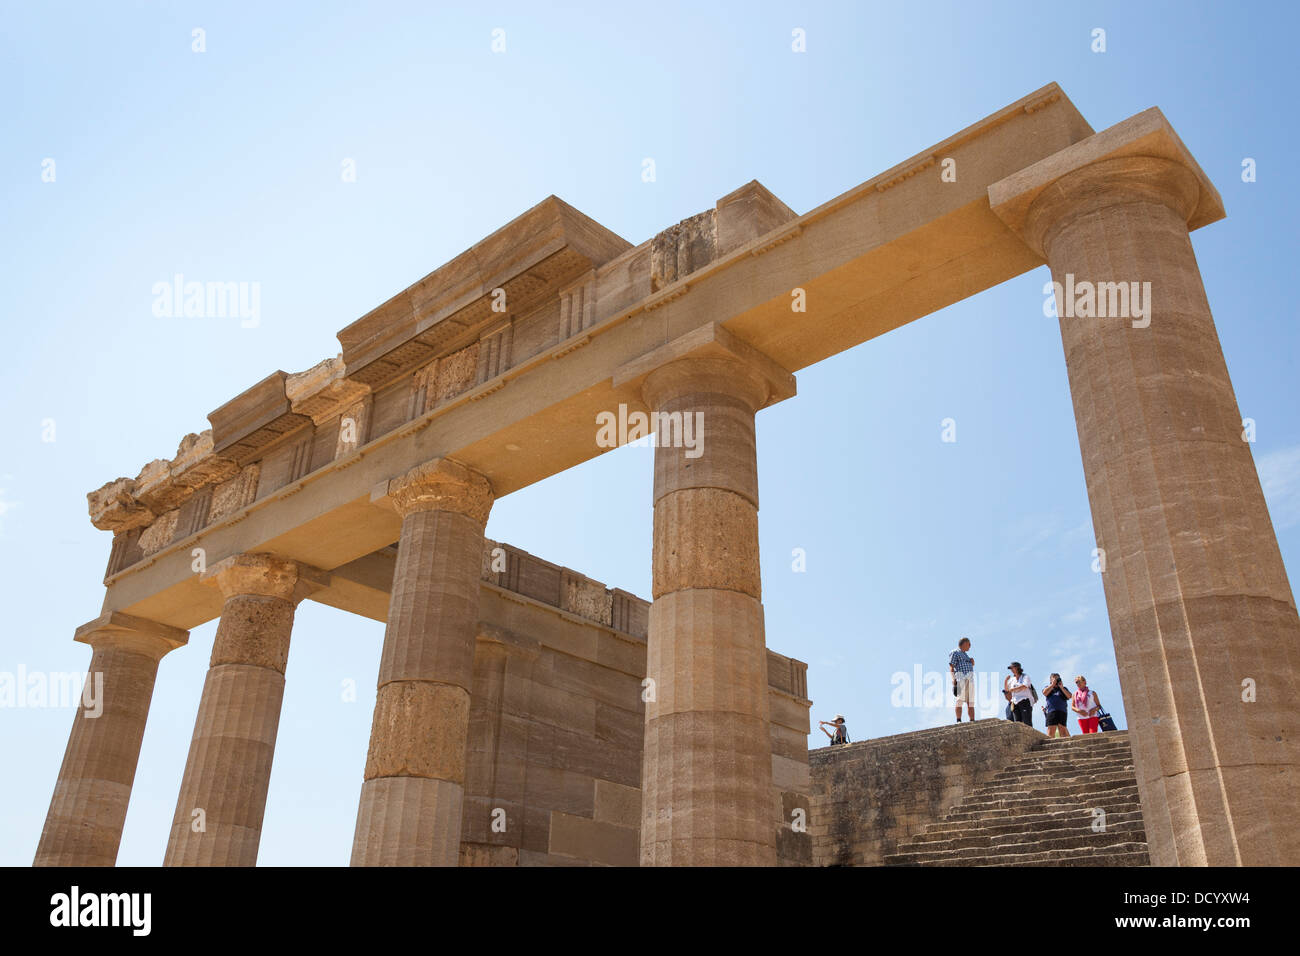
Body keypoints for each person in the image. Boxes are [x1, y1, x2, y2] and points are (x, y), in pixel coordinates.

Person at [948, 637, 976, 723]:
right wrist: (953, 679)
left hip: (970, 679)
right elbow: (951, 667)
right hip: (961, 677)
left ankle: (972, 721)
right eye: (969, 644)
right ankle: (959, 720)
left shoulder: (966, 655)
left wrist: (972, 663)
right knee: (959, 700)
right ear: (964, 643)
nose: (970, 646)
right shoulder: (955, 652)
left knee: (970, 702)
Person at [1041, 673, 1071, 738]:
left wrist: (1062, 688)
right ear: (1051, 680)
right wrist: (1052, 685)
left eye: (1057, 678)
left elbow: (1069, 696)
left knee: (1063, 730)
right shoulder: (1048, 687)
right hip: (1051, 711)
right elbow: (1045, 693)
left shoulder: (1063, 688)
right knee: (1051, 731)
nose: (1056, 680)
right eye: (1054, 678)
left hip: (1062, 711)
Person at [1004, 662, 1034, 727]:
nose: (1011, 670)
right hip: (1015, 702)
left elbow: (1024, 686)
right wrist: (1005, 681)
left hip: (1024, 701)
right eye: (1010, 668)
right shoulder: (1012, 679)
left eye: (1012, 668)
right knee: (1017, 723)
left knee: (1027, 722)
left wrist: (1013, 689)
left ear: (1017, 668)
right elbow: (1007, 690)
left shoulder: (1025, 676)